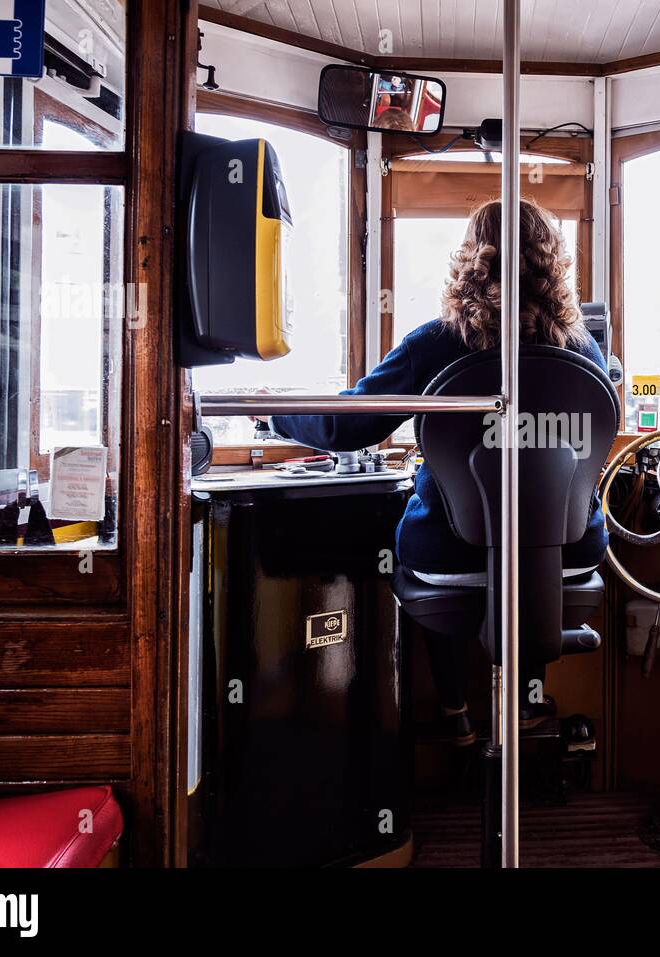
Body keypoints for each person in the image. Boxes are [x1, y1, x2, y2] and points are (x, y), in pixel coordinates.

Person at [259, 200, 608, 745]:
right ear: (552, 262)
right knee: (525, 555)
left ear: (470, 259)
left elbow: (344, 427)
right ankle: (522, 705)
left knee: (445, 545)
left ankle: (454, 709)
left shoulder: (436, 343)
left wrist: (270, 410)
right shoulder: (584, 349)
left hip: (450, 561)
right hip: (569, 556)